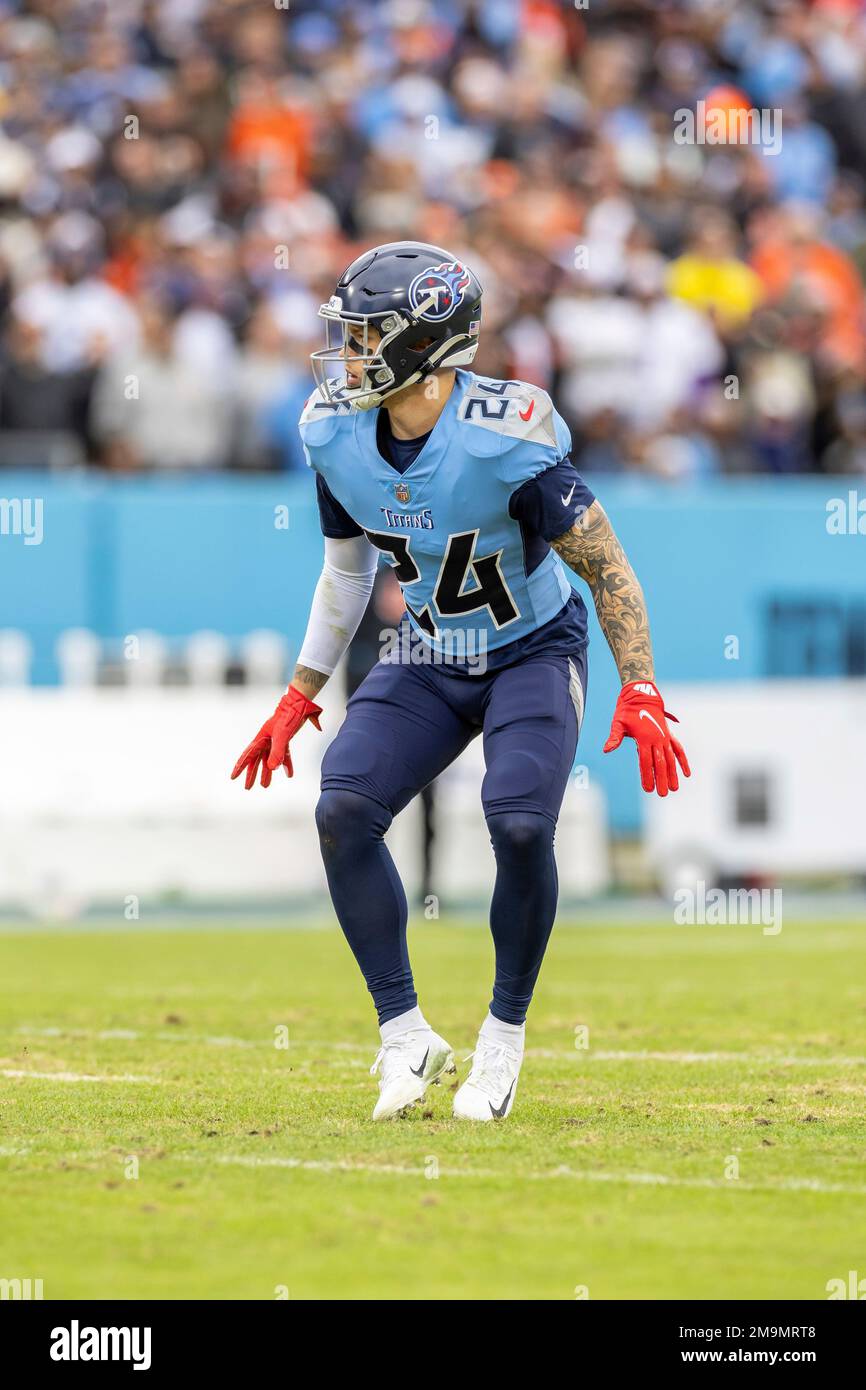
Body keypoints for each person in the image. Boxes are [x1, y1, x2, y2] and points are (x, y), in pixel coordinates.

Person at [231, 241, 690, 1123]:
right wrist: (300, 693)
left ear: (422, 344)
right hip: (429, 650)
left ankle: (502, 1040)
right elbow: (347, 574)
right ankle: (404, 1033)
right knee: (343, 808)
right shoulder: (333, 431)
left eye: (367, 335)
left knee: (519, 825)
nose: (348, 353)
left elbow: (608, 569)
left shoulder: (503, 435)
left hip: (530, 645)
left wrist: (640, 686)